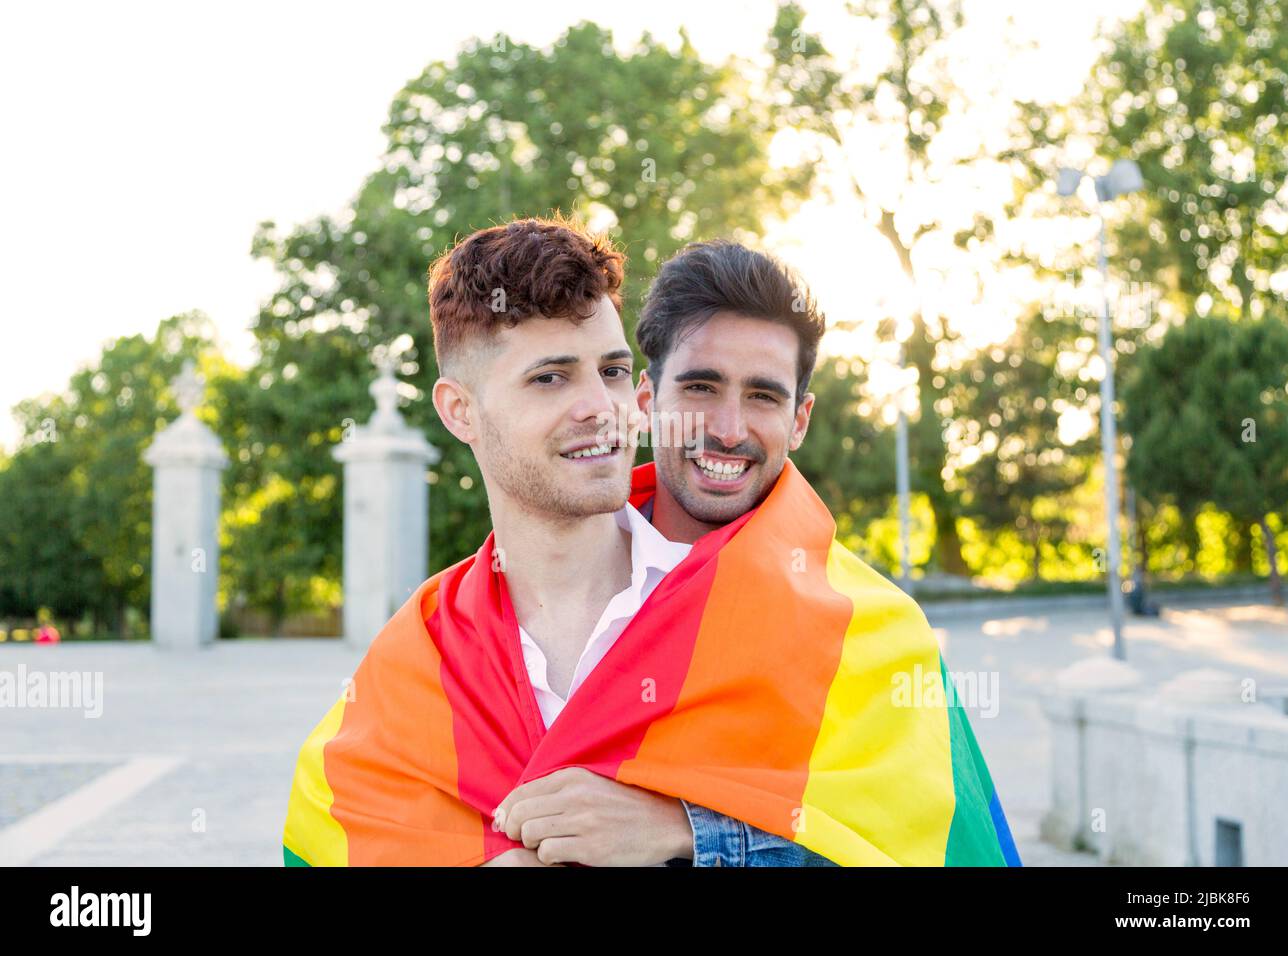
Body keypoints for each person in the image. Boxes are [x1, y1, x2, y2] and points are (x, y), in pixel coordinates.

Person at [283, 220, 1019, 868]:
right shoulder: (422, 651)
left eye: (607, 372)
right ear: (459, 412)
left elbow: (927, 848)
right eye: (550, 378)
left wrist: (698, 837)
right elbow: (330, 836)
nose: (598, 409)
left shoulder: (832, 628)